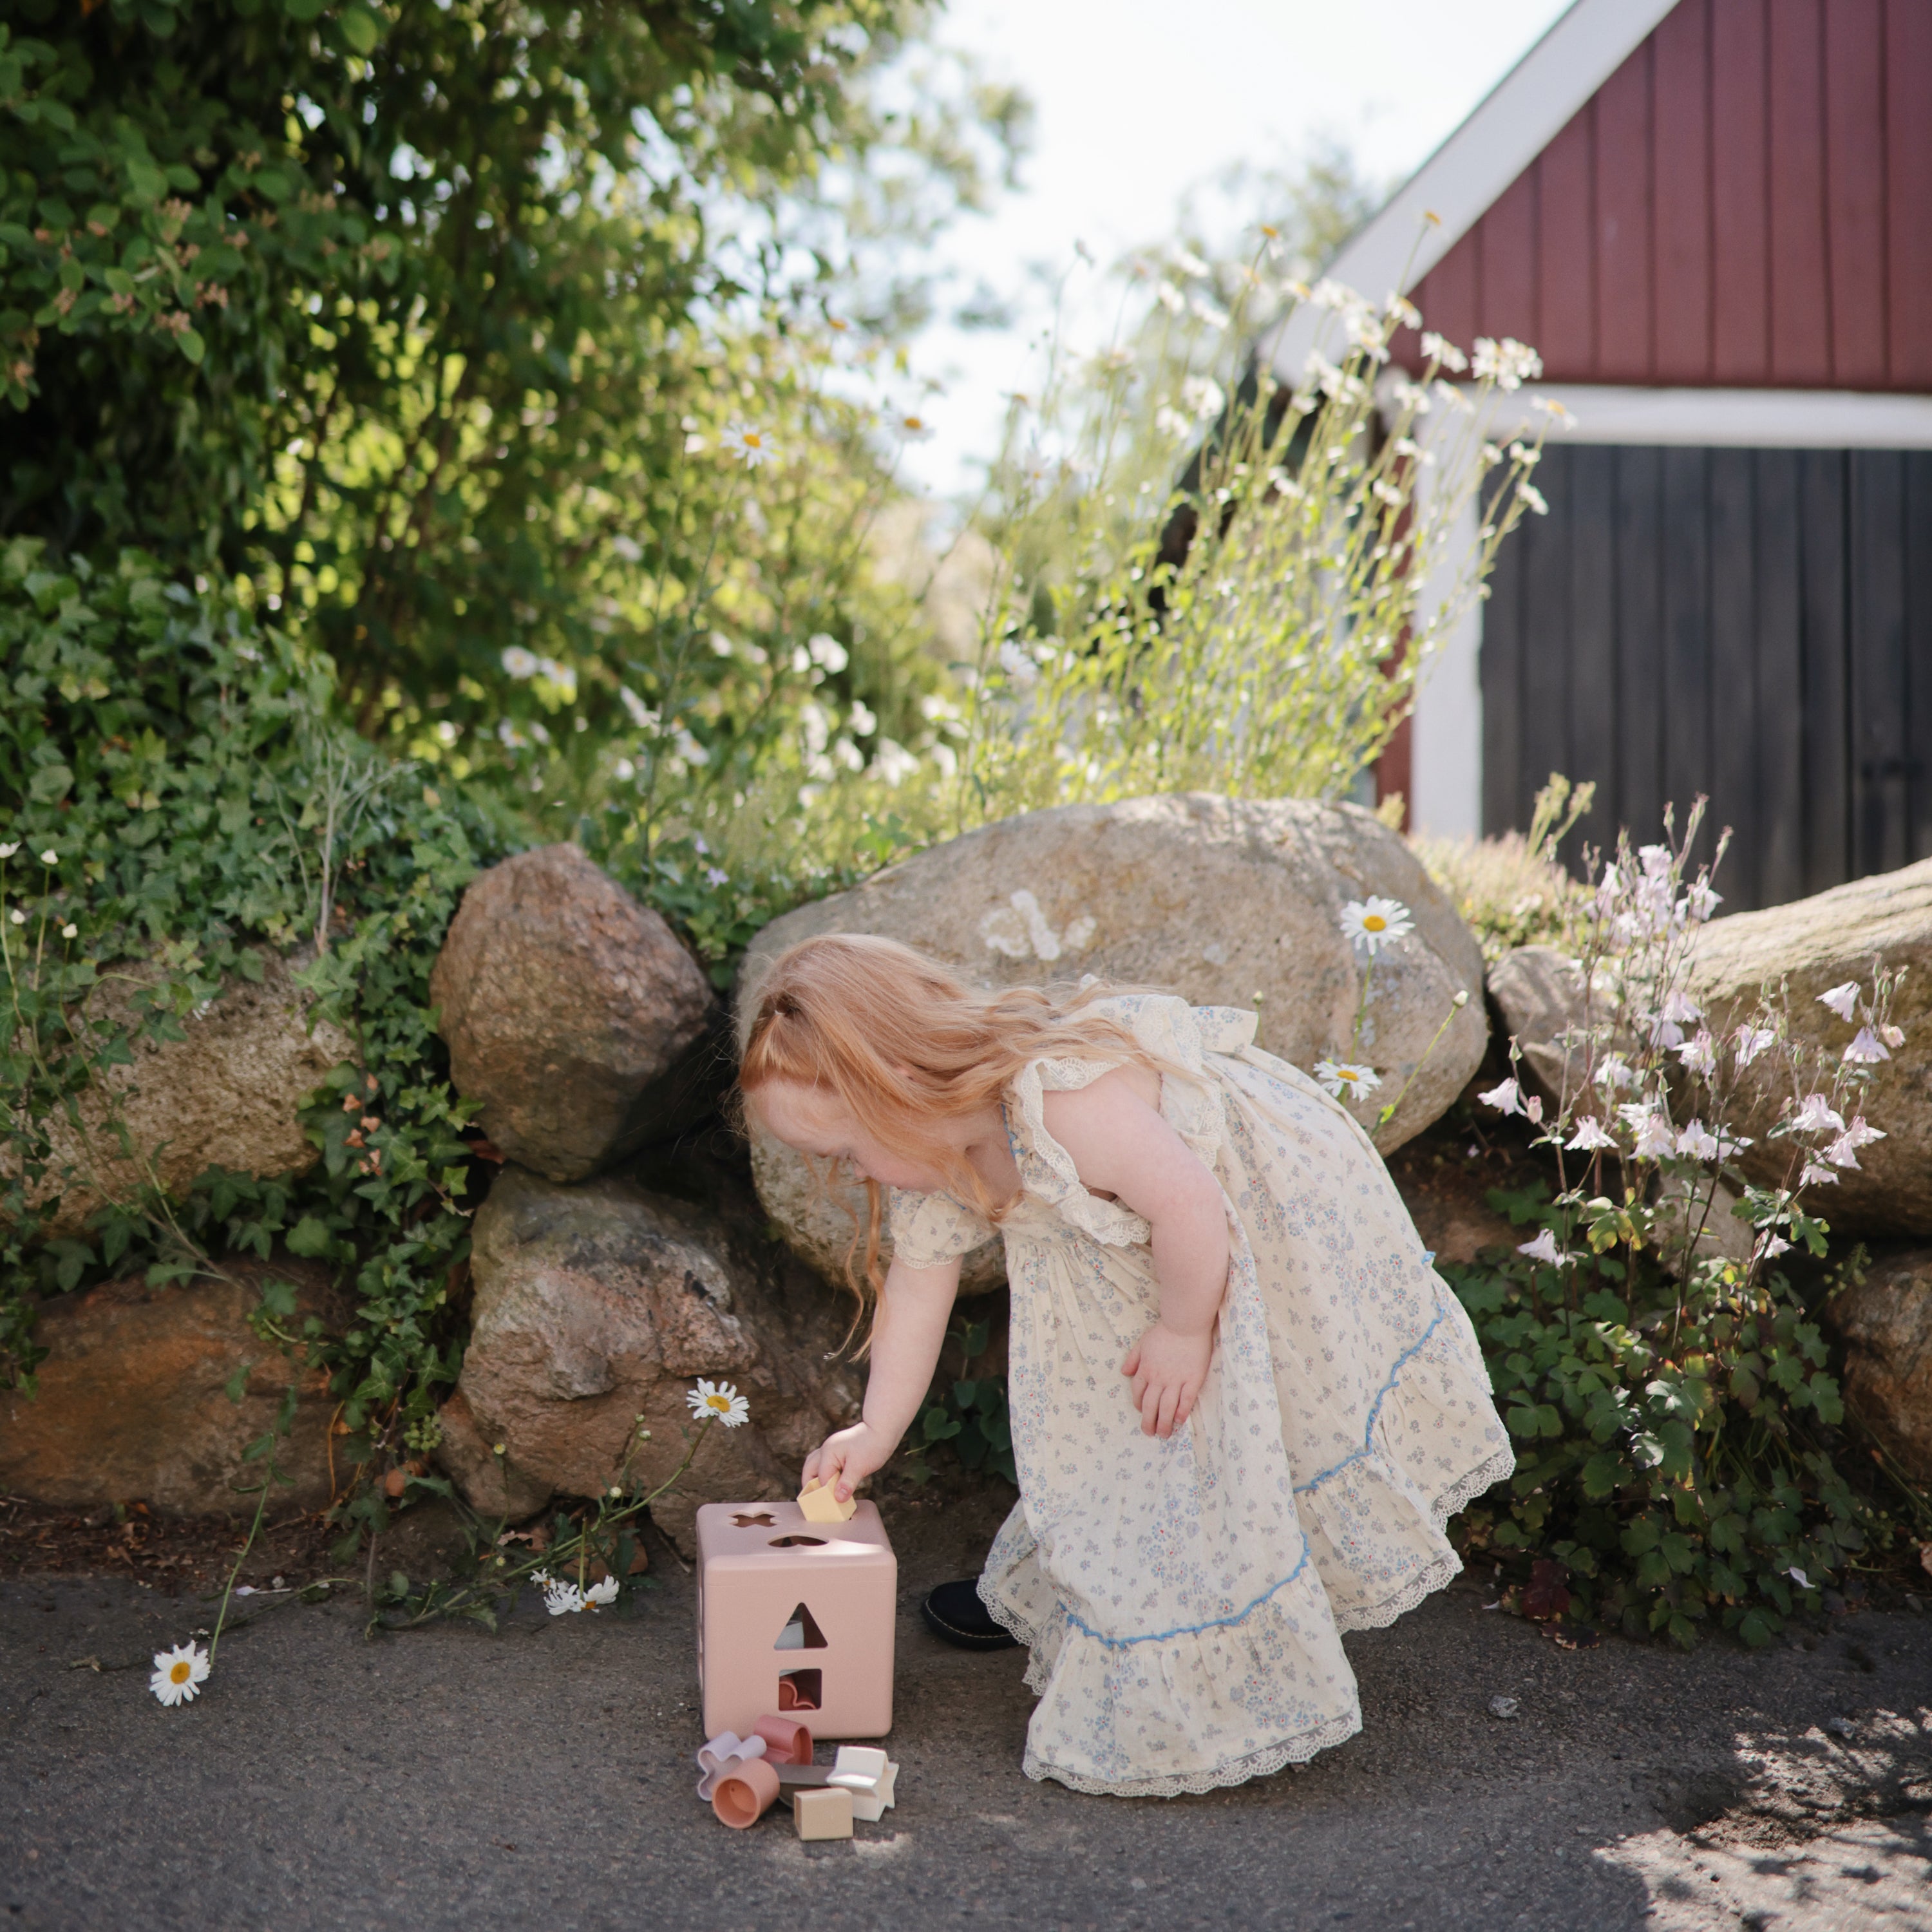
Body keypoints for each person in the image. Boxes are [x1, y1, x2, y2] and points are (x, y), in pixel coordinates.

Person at [738, 933, 1512, 1797]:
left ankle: (1217, 1662)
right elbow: (918, 1287)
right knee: (1113, 1435)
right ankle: (1109, 1605)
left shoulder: (1064, 1103)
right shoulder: (937, 1150)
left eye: (846, 1152)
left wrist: (1185, 1331)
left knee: (1215, 1430)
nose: (851, 1174)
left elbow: (1190, 1204)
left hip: (1239, 1233)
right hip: (1148, 1257)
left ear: (899, 1086)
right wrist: (875, 1429)